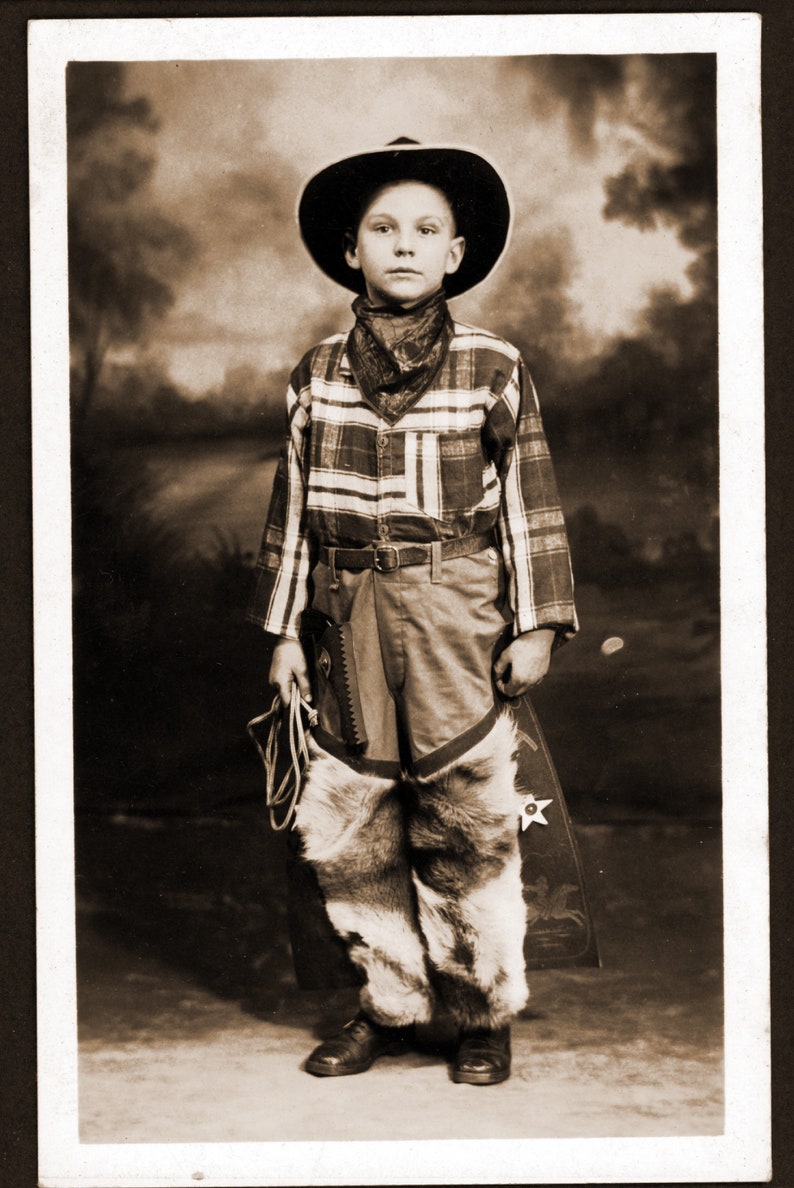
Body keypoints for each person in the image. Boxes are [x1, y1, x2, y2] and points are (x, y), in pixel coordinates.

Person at [246, 138, 577, 1085]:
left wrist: (540, 623)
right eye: (382, 229)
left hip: (457, 608)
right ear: (350, 250)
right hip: (345, 610)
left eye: (425, 230)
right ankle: (388, 1004)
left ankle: (480, 1013)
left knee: (466, 809)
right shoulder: (316, 373)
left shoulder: (492, 366)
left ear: (457, 252)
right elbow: (293, 514)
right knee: (354, 817)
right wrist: (280, 638)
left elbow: (529, 505)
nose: (404, 246)